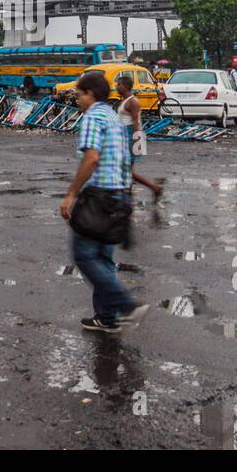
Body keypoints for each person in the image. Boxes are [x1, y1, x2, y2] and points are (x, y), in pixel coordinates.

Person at [60, 71, 148, 334]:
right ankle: (107, 318)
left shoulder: (92, 117)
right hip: (119, 193)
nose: (77, 99)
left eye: (79, 94)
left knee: (84, 254)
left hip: (100, 195)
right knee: (103, 257)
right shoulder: (112, 116)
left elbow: (92, 158)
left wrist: (71, 194)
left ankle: (126, 306)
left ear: (91, 94)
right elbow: (124, 159)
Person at [115, 75, 164, 200]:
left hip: (132, 135)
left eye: (118, 84)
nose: (116, 87)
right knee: (126, 169)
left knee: (126, 170)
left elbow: (136, 121)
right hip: (126, 136)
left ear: (125, 86)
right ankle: (130, 193)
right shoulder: (125, 101)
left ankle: (154, 188)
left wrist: (136, 140)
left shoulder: (132, 102)